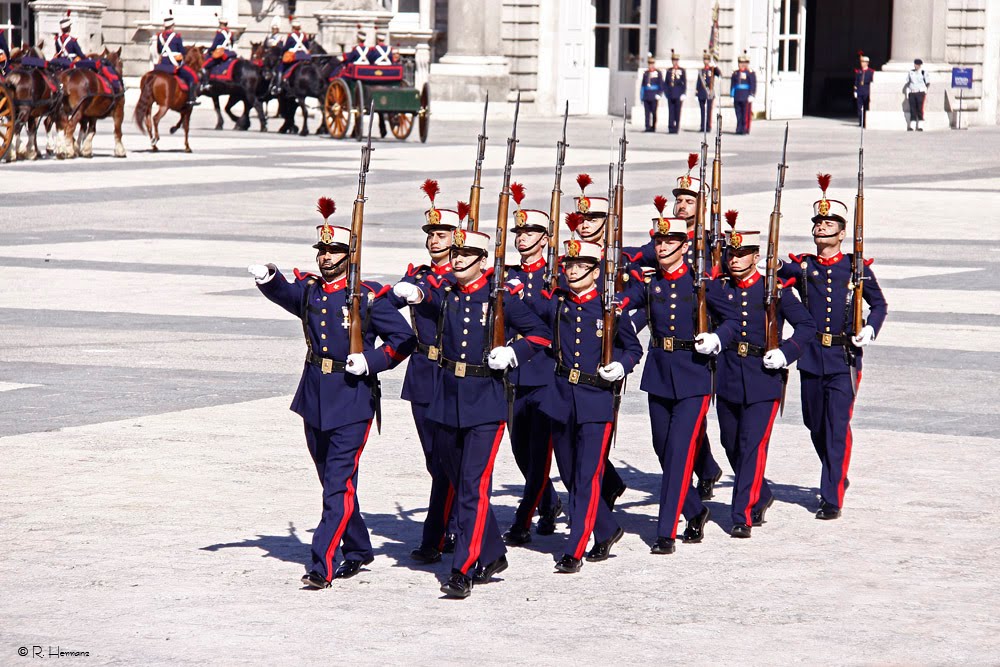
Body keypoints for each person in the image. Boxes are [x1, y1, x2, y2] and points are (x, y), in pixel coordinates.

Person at [247, 198, 416, 589]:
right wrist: (269, 276)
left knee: (338, 483)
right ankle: (358, 548)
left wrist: (373, 362)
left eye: (333, 251)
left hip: (353, 399)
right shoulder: (312, 292)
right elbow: (286, 294)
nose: (325, 258)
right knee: (332, 482)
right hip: (314, 397)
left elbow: (404, 339)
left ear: (349, 255)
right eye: (321, 251)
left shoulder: (368, 296)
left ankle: (321, 561)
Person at [392, 223, 551, 599]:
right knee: (457, 480)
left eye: (466, 256)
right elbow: (426, 299)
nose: (457, 259)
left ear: (483, 261)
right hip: (446, 398)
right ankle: (493, 552)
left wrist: (514, 353)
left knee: (472, 487)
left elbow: (541, 334)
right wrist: (413, 292)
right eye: (456, 254)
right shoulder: (446, 292)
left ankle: (462, 568)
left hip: (485, 401)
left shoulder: (501, 299)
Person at [620, 203, 739, 555]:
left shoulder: (703, 284)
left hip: (694, 374)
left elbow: (732, 318)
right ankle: (695, 509)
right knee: (662, 446)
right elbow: (627, 302)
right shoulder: (651, 281)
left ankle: (666, 531)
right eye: (657, 240)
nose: (661, 247)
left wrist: (718, 338)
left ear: (684, 246)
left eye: (669, 241)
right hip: (659, 372)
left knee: (679, 452)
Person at [778, 174, 888, 520]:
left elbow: (880, 304)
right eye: (818, 223)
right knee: (815, 423)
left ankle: (831, 495)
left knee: (837, 425)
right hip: (811, 358)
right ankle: (836, 472)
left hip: (844, 357)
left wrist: (870, 329)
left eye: (829, 224)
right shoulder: (805, 266)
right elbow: (777, 281)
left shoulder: (855, 268)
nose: (822, 228)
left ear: (842, 233)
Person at [539, 237, 642, 574]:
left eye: (580, 266)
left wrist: (621, 366)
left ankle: (575, 548)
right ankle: (608, 527)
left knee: (586, 477)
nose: (572, 271)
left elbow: (632, 348)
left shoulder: (608, 309)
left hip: (596, 401)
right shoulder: (558, 303)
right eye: (569, 266)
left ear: (596, 272)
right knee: (569, 473)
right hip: (561, 397)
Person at [714, 211, 815, 537]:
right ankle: (762, 492)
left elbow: (807, 326)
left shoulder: (777, 292)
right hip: (728, 375)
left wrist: (786, 352)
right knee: (730, 442)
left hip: (764, 377)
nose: (735, 259)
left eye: (742, 254)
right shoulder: (719, 289)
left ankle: (742, 514)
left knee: (752, 444)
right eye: (731, 253)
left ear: (757, 257)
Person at [387, 180, 458, 565]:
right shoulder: (417, 274)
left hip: (453, 373)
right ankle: (450, 524)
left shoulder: (462, 276)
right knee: (435, 459)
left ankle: (440, 534)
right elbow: (387, 307)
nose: (434, 240)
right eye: (430, 234)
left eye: (442, 233)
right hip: (421, 373)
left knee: (450, 458)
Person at [502, 184, 563, 546]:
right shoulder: (508, 275)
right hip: (513, 374)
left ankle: (524, 518)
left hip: (545, 374)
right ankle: (550, 501)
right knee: (520, 450)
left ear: (545, 238)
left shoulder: (553, 277)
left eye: (530, 232)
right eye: (519, 232)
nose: (522, 238)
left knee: (540, 451)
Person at [155, 12, 199, 106]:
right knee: (191, 77)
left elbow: (159, 50)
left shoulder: (160, 36)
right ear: (172, 26)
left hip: (162, 64)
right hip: (173, 64)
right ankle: (191, 99)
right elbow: (182, 51)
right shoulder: (176, 37)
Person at [272, 16, 311, 95]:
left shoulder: (290, 36)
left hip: (294, 57)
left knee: (281, 67)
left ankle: (278, 86)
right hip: (305, 57)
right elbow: (307, 46)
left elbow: (286, 47)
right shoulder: (304, 36)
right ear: (299, 28)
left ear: (293, 28)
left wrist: (282, 52)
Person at [200, 15, 238, 84]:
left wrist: (208, 51)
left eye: (220, 24)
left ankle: (205, 82)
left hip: (221, 53)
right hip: (230, 53)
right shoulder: (230, 34)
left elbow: (214, 46)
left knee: (205, 65)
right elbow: (232, 44)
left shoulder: (220, 33)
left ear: (221, 24)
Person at [696, 50, 722, 133]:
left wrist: (716, 66)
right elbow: (699, 82)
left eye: (707, 60)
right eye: (705, 59)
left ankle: (708, 126)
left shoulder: (712, 69)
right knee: (702, 111)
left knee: (709, 110)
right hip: (701, 92)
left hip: (709, 92)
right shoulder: (701, 71)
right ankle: (702, 126)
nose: (706, 61)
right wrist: (696, 92)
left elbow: (720, 74)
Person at [731, 51, 755, 135]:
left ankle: (745, 128)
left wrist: (751, 94)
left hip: (745, 95)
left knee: (745, 113)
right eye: (740, 62)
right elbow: (733, 85)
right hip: (737, 95)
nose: (742, 64)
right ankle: (739, 128)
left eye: (744, 63)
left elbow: (753, 84)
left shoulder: (750, 73)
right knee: (738, 113)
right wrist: (732, 95)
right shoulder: (735, 73)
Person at [664, 50, 687, 134]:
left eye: (676, 60)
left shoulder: (682, 70)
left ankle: (676, 127)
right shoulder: (669, 70)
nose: (674, 62)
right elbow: (666, 83)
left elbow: (684, 83)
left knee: (677, 111)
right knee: (671, 111)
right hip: (670, 93)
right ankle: (670, 127)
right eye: (673, 60)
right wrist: (666, 93)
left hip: (678, 93)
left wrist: (683, 93)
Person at [904, 58, 929, 131]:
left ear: (920, 65)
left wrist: (925, 90)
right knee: (912, 108)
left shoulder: (923, 72)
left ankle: (920, 125)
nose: (916, 66)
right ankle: (912, 125)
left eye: (918, 65)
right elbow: (908, 81)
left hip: (920, 92)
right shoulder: (911, 72)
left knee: (920, 108)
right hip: (912, 92)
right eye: (915, 64)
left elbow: (927, 82)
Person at [641, 56, 664, 132]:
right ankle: (647, 126)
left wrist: (659, 94)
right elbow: (643, 85)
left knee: (654, 112)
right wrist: (642, 96)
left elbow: (661, 84)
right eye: (649, 63)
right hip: (647, 95)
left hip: (654, 95)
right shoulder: (646, 73)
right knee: (646, 112)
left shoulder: (658, 73)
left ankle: (653, 126)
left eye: (652, 63)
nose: (651, 65)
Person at [854, 52, 874, 128]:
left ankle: (865, 122)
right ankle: (860, 121)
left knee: (866, 107)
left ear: (867, 63)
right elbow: (856, 82)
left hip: (866, 91)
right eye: (861, 62)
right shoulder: (859, 72)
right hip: (860, 91)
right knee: (859, 108)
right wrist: (855, 91)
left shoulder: (871, 72)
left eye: (863, 62)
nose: (862, 63)